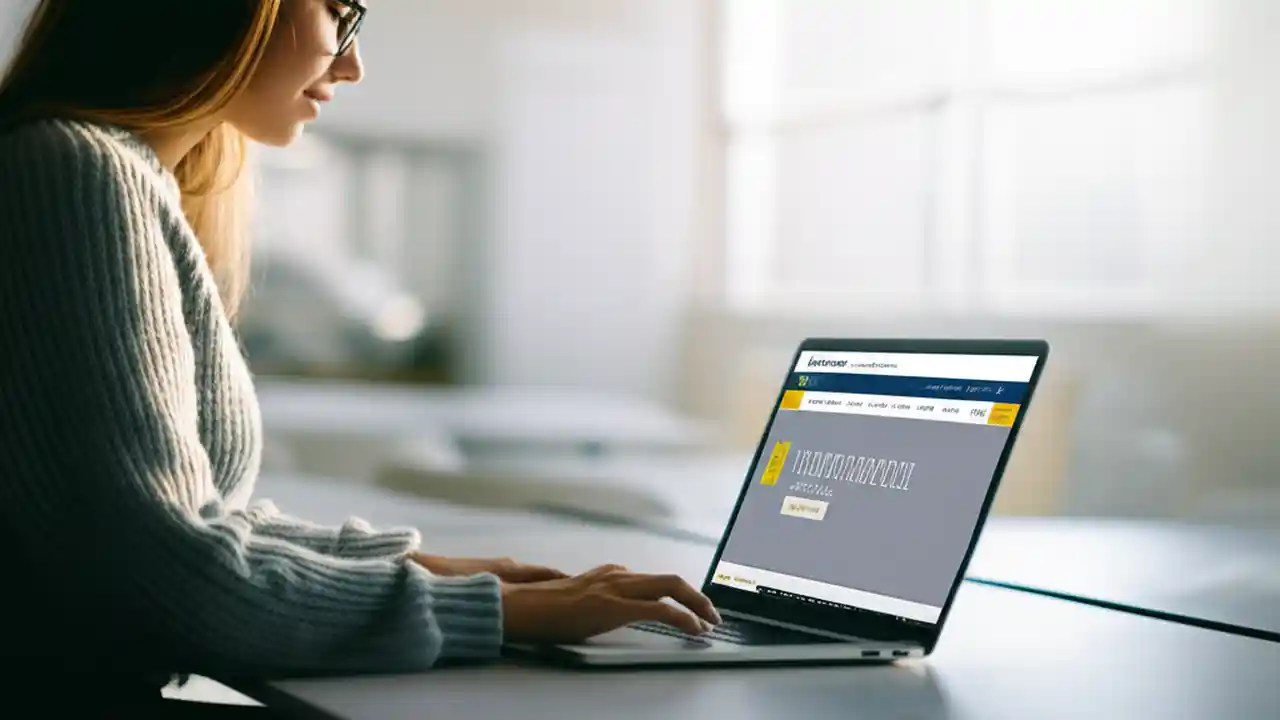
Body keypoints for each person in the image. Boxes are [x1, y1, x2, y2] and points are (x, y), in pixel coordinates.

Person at [0, 1, 720, 715]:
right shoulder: (78, 170)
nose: (352, 63)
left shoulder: (108, 171)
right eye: (338, 13)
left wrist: (428, 568)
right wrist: (495, 609)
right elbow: (169, 569)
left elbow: (188, 524)